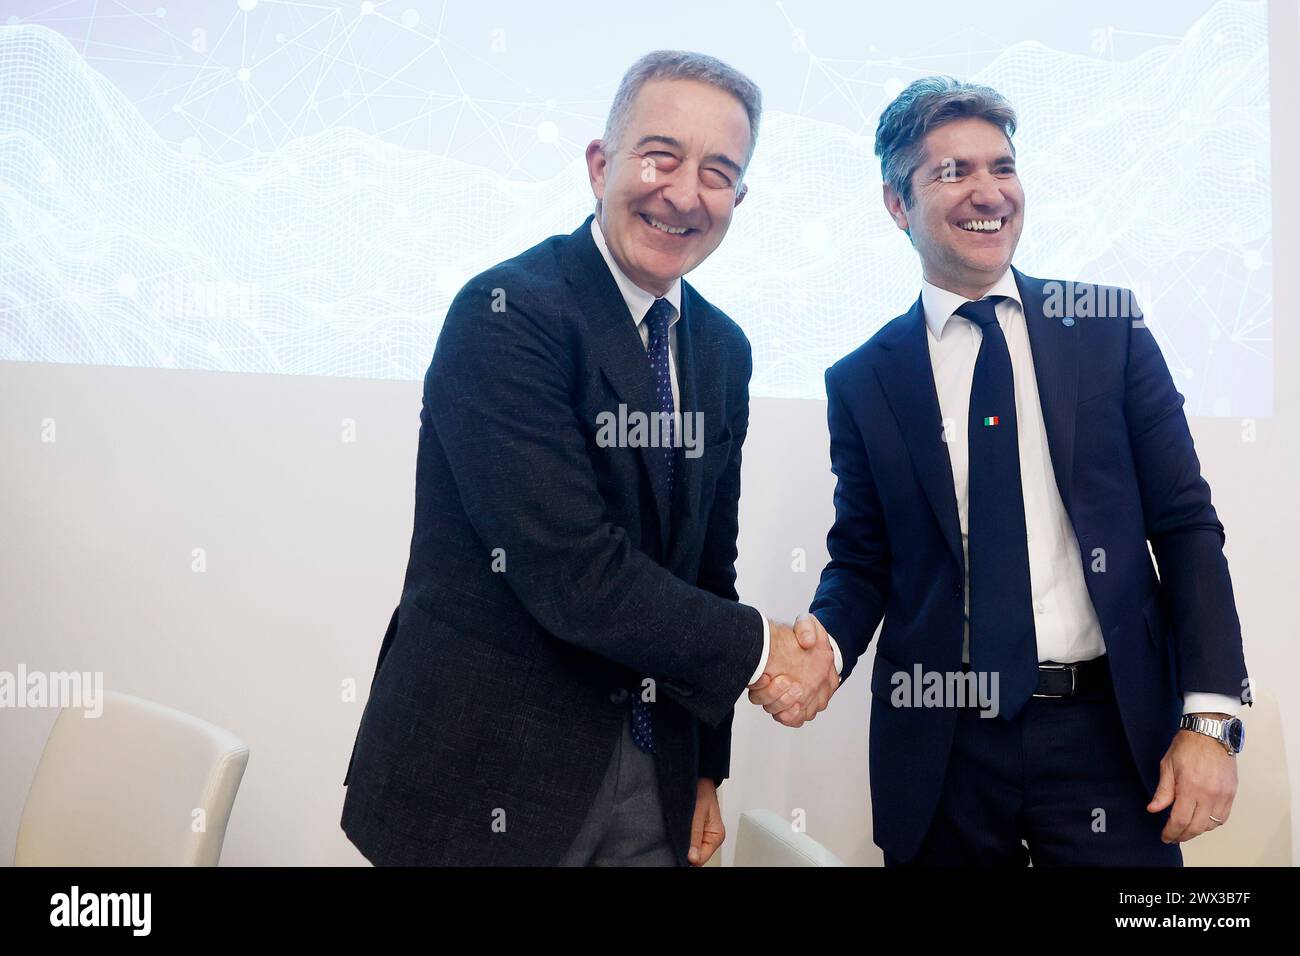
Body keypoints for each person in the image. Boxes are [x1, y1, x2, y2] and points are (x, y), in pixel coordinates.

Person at [340, 50, 837, 867]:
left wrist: (705, 767)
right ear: (600, 165)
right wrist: (763, 649)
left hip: (654, 775)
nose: (684, 193)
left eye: (718, 172)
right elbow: (572, 569)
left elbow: (707, 566)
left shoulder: (722, 348)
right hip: (486, 782)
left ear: (739, 199)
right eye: (660, 156)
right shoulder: (507, 314)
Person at [751, 76, 1250, 865]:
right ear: (896, 203)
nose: (988, 192)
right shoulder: (863, 377)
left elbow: (1186, 526)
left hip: (1110, 739)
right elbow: (865, 559)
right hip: (945, 750)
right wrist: (827, 651)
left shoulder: (1106, 328)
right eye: (952, 172)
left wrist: (1212, 718)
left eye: (1003, 167)